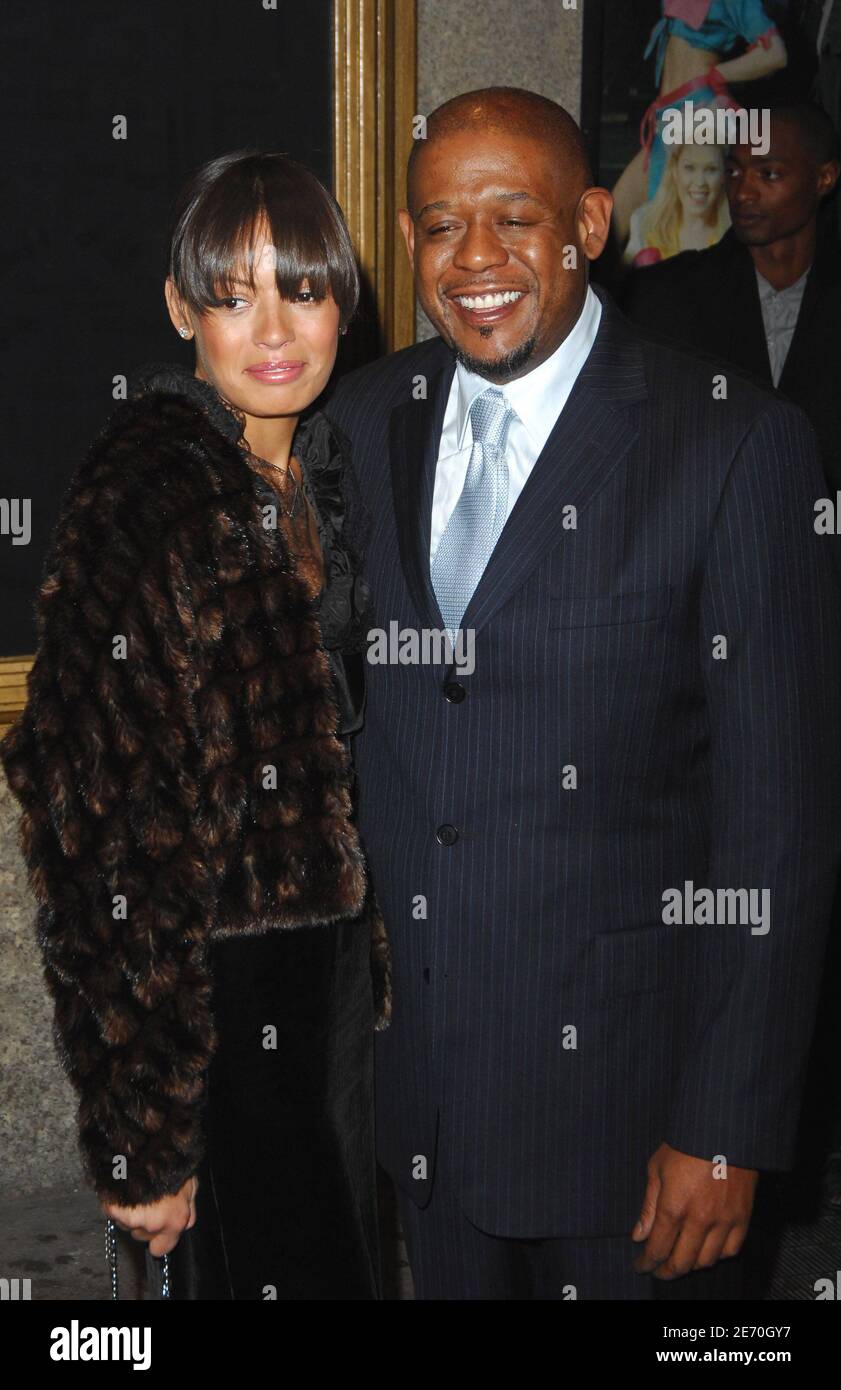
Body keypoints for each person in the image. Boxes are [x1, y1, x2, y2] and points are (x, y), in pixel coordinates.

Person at [323, 85, 841, 1301]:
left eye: (516, 217)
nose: (478, 259)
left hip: (631, 1117)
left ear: (590, 225)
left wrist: (727, 1122)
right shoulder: (361, 420)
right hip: (425, 1101)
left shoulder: (733, 448)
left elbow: (779, 826)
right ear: (406, 243)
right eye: (443, 224)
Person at [1, 150, 391, 1300]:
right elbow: (92, 835)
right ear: (182, 310)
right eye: (232, 295)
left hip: (322, 1000)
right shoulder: (149, 495)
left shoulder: (320, 472)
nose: (274, 328)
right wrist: (143, 1131)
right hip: (216, 1019)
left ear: (342, 304)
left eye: (304, 290)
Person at [623, 103, 841, 488]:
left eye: (769, 174)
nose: (743, 192)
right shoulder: (664, 295)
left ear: (824, 178)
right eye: (734, 171)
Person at [612, 0, 786, 245]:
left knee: (674, 238)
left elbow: (775, 54)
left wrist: (718, 75)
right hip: (668, 117)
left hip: (699, 113)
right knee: (611, 225)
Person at [623, 139, 731, 266]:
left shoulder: (736, 233)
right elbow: (621, 281)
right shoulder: (643, 223)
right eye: (689, 168)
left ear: (724, 175)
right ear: (674, 170)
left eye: (711, 169)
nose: (700, 182)